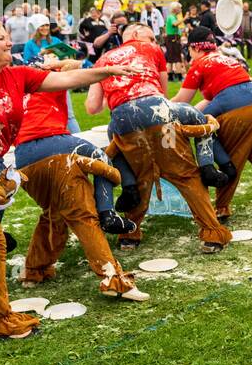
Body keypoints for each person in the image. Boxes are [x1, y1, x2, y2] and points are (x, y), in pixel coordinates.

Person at [0, 19, 142, 339]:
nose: (10, 42)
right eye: (2, 38)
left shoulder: (17, 76)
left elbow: (66, 78)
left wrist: (105, 73)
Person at [86, 22, 230, 252]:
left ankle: (129, 235)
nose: (154, 42)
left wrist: (115, 95)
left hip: (122, 122)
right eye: (151, 37)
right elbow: (162, 94)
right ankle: (212, 228)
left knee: (143, 177)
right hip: (158, 114)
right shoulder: (152, 50)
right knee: (185, 174)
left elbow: (92, 107)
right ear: (134, 34)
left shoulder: (102, 61)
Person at [14, 58, 147, 302]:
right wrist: (55, 62)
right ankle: (111, 264)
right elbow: (74, 66)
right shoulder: (47, 76)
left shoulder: (16, 86)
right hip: (55, 145)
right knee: (96, 178)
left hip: (23, 157)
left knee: (53, 212)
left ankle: (34, 270)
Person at [173, 27, 252, 225]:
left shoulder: (200, 64)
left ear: (193, 48)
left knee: (232, 159)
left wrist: (160, 109)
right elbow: (206, 103)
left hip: (238, 111)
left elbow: (183, 100)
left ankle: (221, 208)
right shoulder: (228, 60)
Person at [163, 1, 186, 80]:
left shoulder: (172, 16)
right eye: (179, 8)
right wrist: (185, 18)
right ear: (175, 9)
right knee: (177, 57)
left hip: (171, 38)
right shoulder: (172, 17)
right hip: (173, 38)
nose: (180, 10)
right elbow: (175, 24)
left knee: (171, 58)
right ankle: (179, 76)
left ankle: (170, 77)